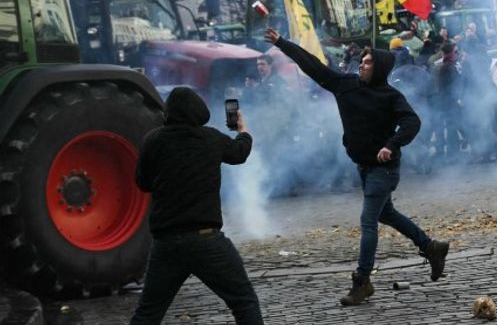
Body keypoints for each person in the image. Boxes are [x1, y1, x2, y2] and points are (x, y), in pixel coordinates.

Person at [265, 28, 449, 305]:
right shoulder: (345, 85)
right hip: (363, 166)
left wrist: (392, 144)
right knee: (386, 214)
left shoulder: (390, 96)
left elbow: (412, 122)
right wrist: (282, 43)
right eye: (361, 61)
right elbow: (312, 65)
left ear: (380, 68)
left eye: (368, 62)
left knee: (368, 221)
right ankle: (430, 246)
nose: (361, 65)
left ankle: (362, 281)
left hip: (384, 169)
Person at [130, 87, 263, 325]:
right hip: (207, 241)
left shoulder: (153, 141)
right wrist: (243, 130)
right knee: (244, 302)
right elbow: (239, 153)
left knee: (148, 314)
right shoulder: (210, 138)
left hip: (167, 244)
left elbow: (142, 183)